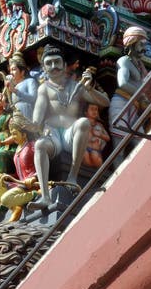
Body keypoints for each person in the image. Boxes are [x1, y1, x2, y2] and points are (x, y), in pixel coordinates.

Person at [31, 46, 110, 209]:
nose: (54, 67)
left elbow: (105, 102)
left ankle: (72, 177)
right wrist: (34, 126)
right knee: (39, 145)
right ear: (44, 68)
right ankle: (45, 196)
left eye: (57, 62)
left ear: (64, 64)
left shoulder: (75, 86)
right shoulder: (44, 89)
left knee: (83, 123)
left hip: (70, 134)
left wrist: (89, 88)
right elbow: (36, 118)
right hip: (52, 134)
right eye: (49, 63)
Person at [0, 112, 39, 221]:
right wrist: (4, 176)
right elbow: (19, 174)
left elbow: (43, 165)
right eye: (11, 134)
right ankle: (15, 207)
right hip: (19, 184)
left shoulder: (32, 146)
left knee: (5, 199)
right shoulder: (18, 149)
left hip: (31, 185)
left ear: (24, 134)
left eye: (15, 134)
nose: (13, 137)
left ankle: (35, 194)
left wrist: (34, 178)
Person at [109, 26, 150, 160]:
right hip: (121, 104)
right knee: (119, 147)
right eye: (141, 44)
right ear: (132, 43)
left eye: (145, 44)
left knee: (141, 143)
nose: (144, 48)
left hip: (133, 106)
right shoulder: (124, 61)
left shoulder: (139, 64)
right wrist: (142, 95)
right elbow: (123, 83)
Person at [5, 52, 38, 120]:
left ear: (22, 71)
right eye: (10, 70)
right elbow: (13, 107)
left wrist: (15, 91)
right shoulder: (15, 87)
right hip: (18, 120)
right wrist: (4, 104)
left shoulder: (30, 81)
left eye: (13, 69)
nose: (11, 73)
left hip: (30, 118)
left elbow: (33, 98)